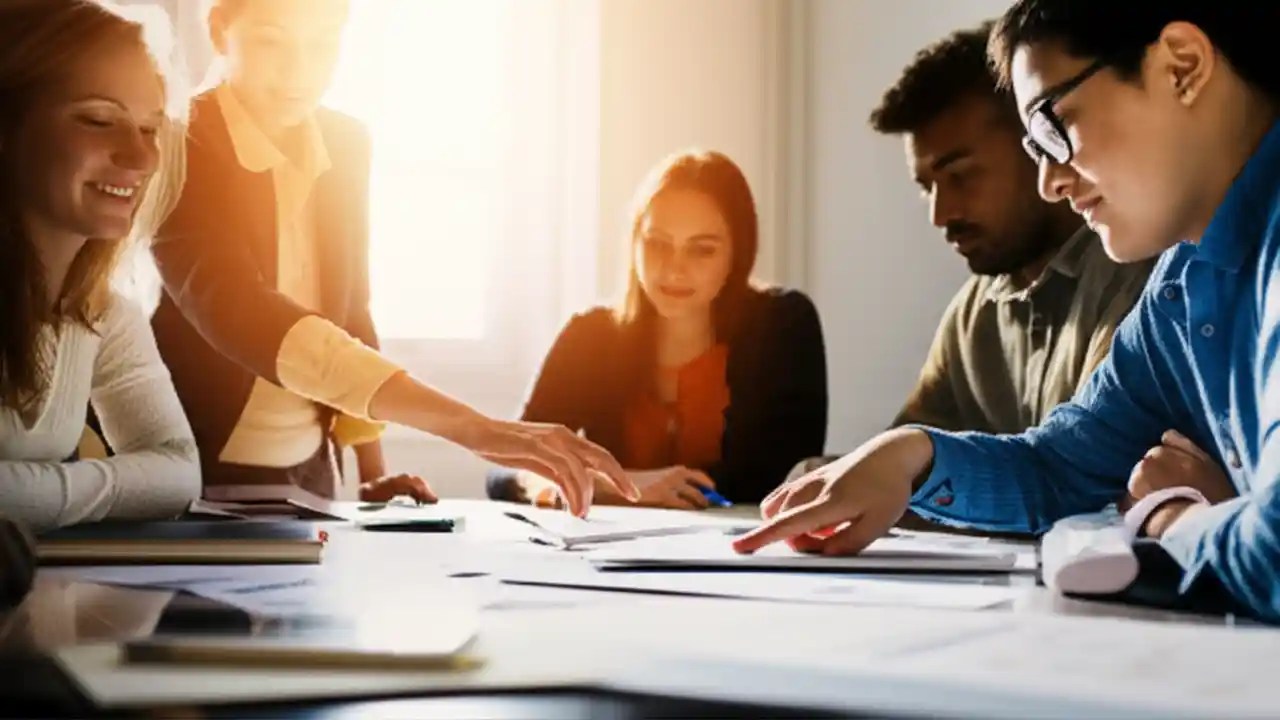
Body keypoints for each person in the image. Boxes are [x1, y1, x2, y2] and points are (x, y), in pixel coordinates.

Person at [736, 1, 1280, 623]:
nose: (1047, 180)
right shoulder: (1184, 284)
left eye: (1056, 125)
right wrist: (915, 455)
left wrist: (1174, 518)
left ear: (1182, 66)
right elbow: (1060, 467)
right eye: (1033, 145)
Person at [151, 0, 636, 517]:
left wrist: (373, 476)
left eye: (322, 43)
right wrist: (473, 427)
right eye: (273, 41)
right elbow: (237, 309)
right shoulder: (181, 140)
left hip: (310, 473)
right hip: (192, 471)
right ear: (221, 31)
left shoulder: (345, 141)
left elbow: (350, 310)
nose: (300, 69)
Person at [790, 23, 1151, 482]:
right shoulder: (972, 314)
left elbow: (1088, 474)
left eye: (961, 176)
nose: (940, 215)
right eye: (927, 189)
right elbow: (910, 449)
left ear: (1037, 145)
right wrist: (833, 475)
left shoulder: (1137, 268)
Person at [487, 150, 827, 509]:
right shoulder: (591, 334)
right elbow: (508, 467)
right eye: (657, 244)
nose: (674, 270)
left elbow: (780, 478)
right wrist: (614, 485)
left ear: (737, 254)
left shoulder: (784, 325)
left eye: (702, 250)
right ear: (634, 244)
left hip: (741, 551)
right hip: (610, 551)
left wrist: (601, 484)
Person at [0, 0, 200, 532]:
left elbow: (179, 470)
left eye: (151, 129)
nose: (142, 159)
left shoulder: (102, 311)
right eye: (98, 120)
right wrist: (102, 487)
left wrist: (32, 493)